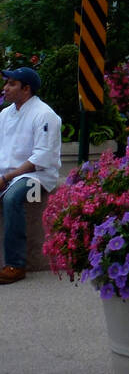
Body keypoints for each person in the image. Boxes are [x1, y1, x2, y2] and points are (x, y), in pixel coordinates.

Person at [0, 68, 62, 284]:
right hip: (7, 174)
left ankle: (15, 265)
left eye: (11, 84)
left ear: (26, 89)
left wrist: (6, 179)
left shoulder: (45, 115)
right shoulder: (5, 114)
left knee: (12, 198)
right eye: (6, 83)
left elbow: (41, 158)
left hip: (38, 177)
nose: (5, 88)